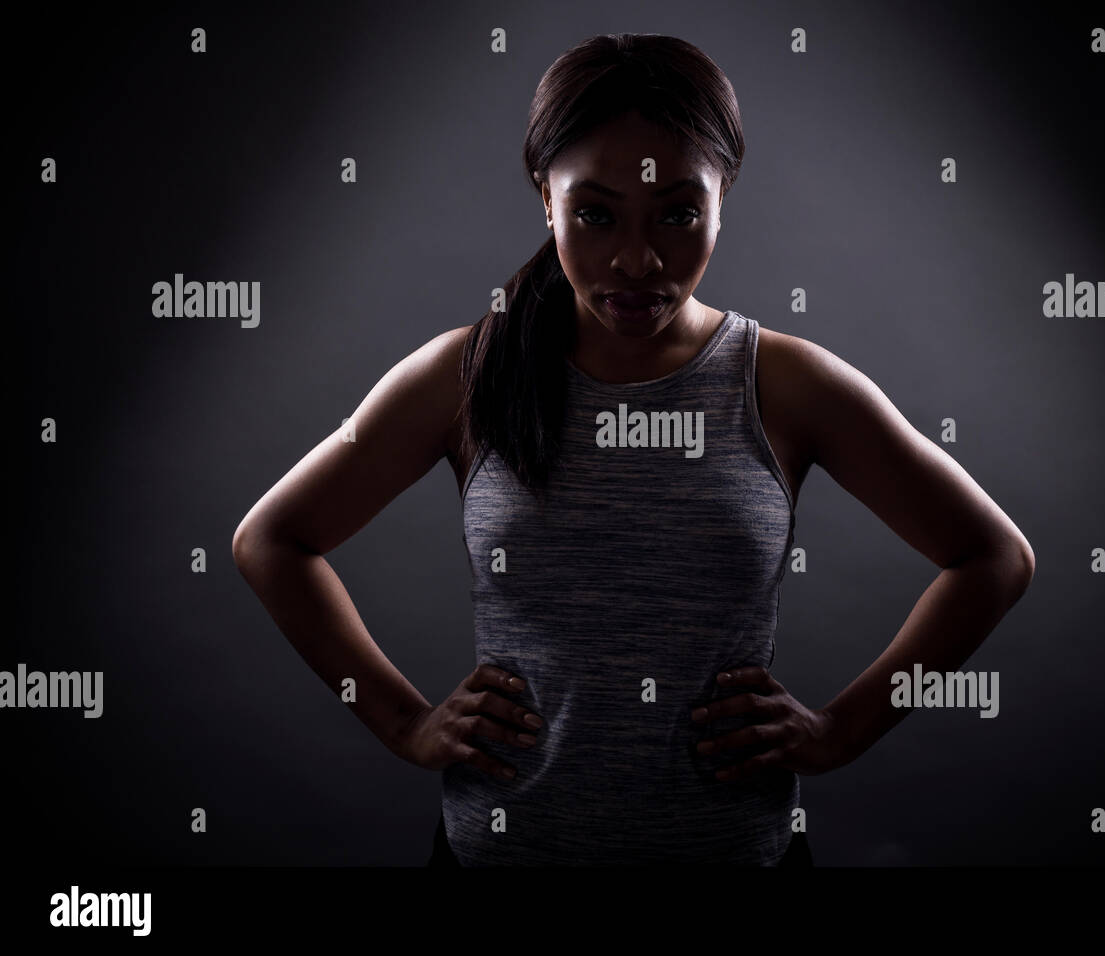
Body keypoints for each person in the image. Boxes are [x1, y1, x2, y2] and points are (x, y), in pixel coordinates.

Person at [232, 33, 1034, 867]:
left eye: (679, 214)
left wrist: (841, 732)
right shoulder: (467, 374)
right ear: (547, 198)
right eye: (596, 213)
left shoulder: (784, 383)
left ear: (724, 200)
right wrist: (402, 723)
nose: (638, 259)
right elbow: (271, 541)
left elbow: (992, 557)